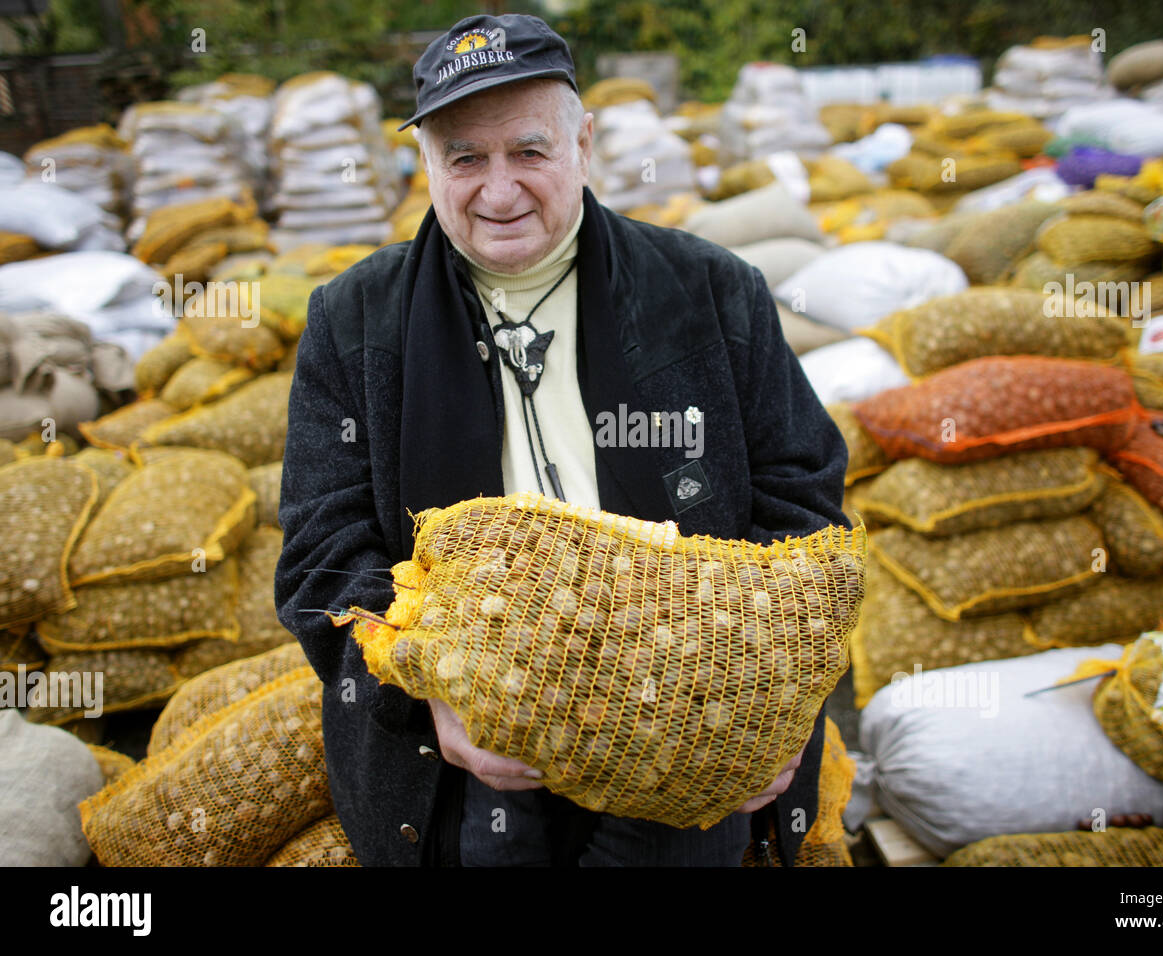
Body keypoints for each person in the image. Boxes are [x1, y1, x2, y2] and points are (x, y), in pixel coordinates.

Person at [274, 12, 850, 867]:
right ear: (424, 164)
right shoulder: (356, 320)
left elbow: (802, 495)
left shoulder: (711, 292)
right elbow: (322, 550)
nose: (499, 192)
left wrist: (762, 695)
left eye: (530, 152)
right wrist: (425, 689)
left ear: (584, 143)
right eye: (464, 157)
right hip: (474, 748)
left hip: (686, 721)